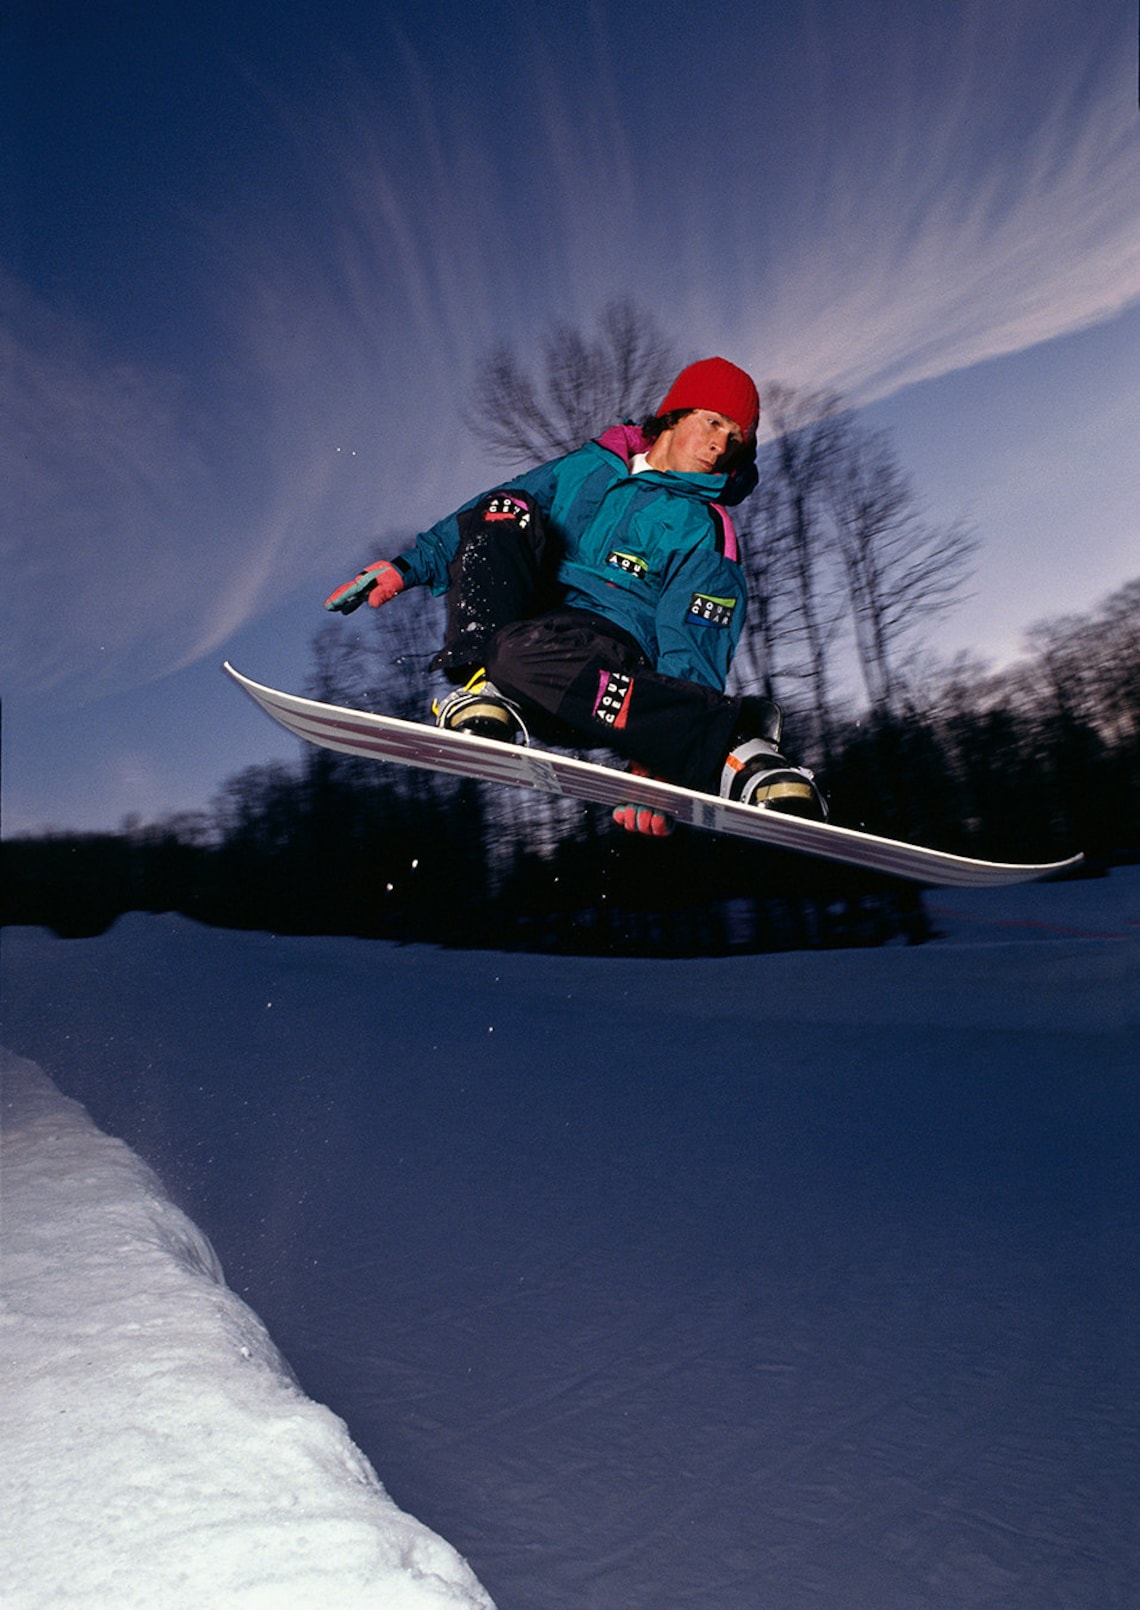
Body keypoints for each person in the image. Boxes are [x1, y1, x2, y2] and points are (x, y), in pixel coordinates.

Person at [325, 356, 825, 834]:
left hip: (608, 669)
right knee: (508, 507)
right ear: (676, 412)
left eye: (735, 438)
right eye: (714, 423)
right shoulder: (588, 466)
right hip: (522, 640)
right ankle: (488, 691)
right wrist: (406, 566)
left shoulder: (706, 526)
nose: (721, 446)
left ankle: (733, 745)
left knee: (519, 653)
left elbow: (692, 640)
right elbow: (488, 514)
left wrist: (655, 757)